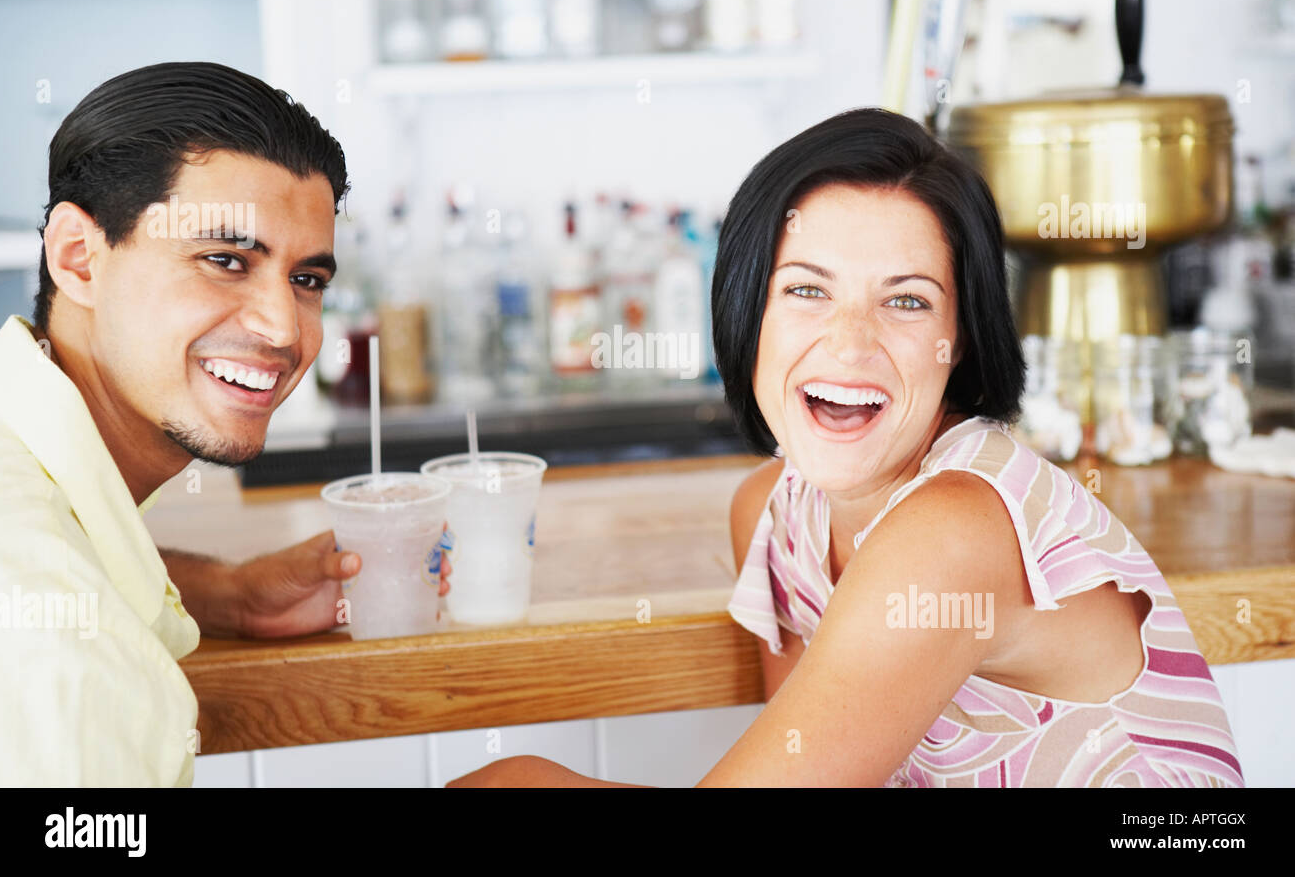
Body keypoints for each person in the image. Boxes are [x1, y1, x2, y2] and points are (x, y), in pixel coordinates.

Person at [448, 107, 1243, 787]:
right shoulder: (773, 516)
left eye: (906, 301)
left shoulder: (956, 528)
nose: (851, 343)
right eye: (806, 290)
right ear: (743, 310)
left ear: (959, 341)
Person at [0, 62, 450, 786]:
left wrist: (220, 593)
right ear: (79, 258)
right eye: (225, 260)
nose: (283, 330)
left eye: (307, 281)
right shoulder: (67, 650)